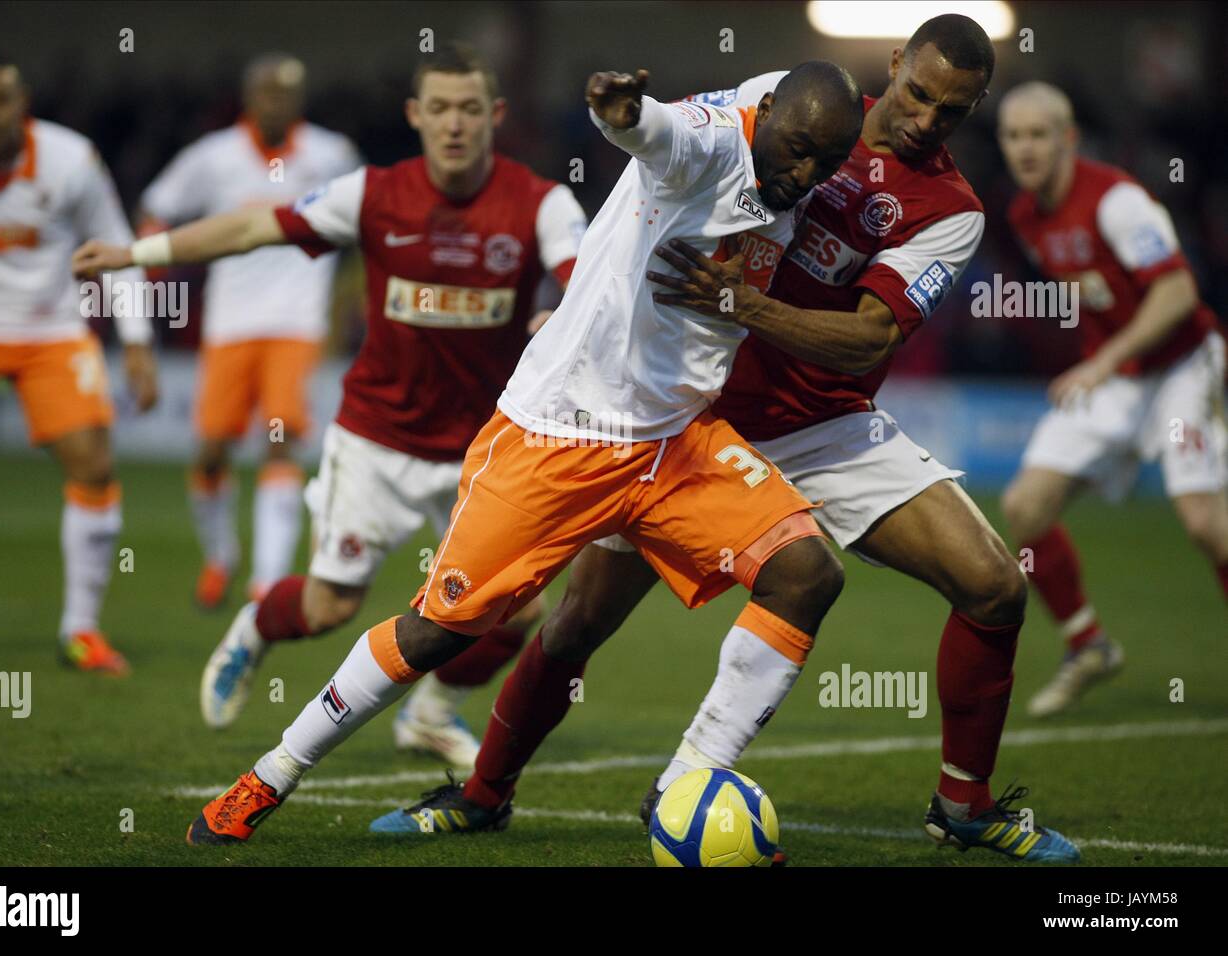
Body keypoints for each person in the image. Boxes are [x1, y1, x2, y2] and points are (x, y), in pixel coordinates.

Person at [379, 15, 1080, 864]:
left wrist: (737, 304)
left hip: (828, 424)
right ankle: (483, 796)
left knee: (996, 588)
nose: (927, 120)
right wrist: (627, 121)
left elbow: (868, 339)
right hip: (695, 422)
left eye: (952, 112)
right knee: (575, 627)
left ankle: (958, 806)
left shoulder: (953, 211)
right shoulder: (794, 105)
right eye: (919, 93)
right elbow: (672, 148)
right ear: (894, 65)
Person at [149, 58, 864, 846]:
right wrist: (620, 112)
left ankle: (685, 783)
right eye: (796, 149)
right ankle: (266, 779)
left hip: (677, 443)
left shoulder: (802, 155)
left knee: (806, 574)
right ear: (766, 117)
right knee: (437, 631)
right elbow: (651, 129)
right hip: (558, 438)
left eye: (825, 163)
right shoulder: (709, 144)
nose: (804, 174)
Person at [76, 43, 587, 766]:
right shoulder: (373, 194)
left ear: (494, 115)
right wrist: (138, 256)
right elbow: (254, 227)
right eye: (438, 108)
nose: (454, 124)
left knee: (518, 615)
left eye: (470, 109)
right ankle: (255, 627)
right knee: (329, 608)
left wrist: (564, 312)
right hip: (378, 438)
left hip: (482, 450)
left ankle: (431, 714)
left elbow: (589, 279)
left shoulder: (541, 202)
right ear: (415, 114)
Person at [997, 81, 1227, 717]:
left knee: (1205, 523)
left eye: (1039, 134)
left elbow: (1179, 292)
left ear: (1068, 139)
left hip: (1182, 364)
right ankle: (1088, 645)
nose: (1025, 148)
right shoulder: (1022, 216)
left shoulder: (1117, 201)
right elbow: (1091, 293)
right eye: (1013, 136)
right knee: (1025, 509)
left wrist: (1099, 359)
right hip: (1118, 375)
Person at [0, 57, 156, 675]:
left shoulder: (71, 160)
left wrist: (136, 342)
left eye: (2, 98)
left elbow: (116, 246)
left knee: (95, 464)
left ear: (23, 101)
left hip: (49, 332)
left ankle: (80, 632)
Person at [139, 53, 360, 609]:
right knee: (211, 453)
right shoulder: (212, 159)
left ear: (300, 99)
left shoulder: (331, 154)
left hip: (296, 322)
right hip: (230, 324)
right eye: (267, 92)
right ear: (248, 97)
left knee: (280, 441)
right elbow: (158, 206)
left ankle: (266, 585)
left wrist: (350, 301)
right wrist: (150, 261)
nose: (277, 102)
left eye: (288, 93)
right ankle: (220, 558)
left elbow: (366, 220)